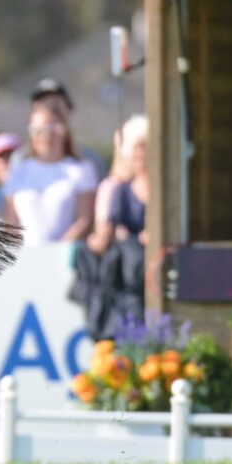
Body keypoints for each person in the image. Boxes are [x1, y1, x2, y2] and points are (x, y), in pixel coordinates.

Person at [1, 101, 98, 275]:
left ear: (64, 130)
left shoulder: (82, 169)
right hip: (25, 261)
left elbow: (84, 220)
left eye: (51, 129)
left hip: (66, 261)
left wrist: (56, 252)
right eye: (38, 130)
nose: (45, 136)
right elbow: (10, 222)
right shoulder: (18, 171)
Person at [81, 115, 149, 338]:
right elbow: (108, 232)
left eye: (146, 147)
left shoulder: (164, 192)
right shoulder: (120, 190)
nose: (142, 154)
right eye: (138, 147)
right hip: (130, 278)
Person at [27, 79, 104, 178]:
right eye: (43, 106)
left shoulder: (88, 160)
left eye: (56, 109)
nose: (50, 114)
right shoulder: (21, 160)